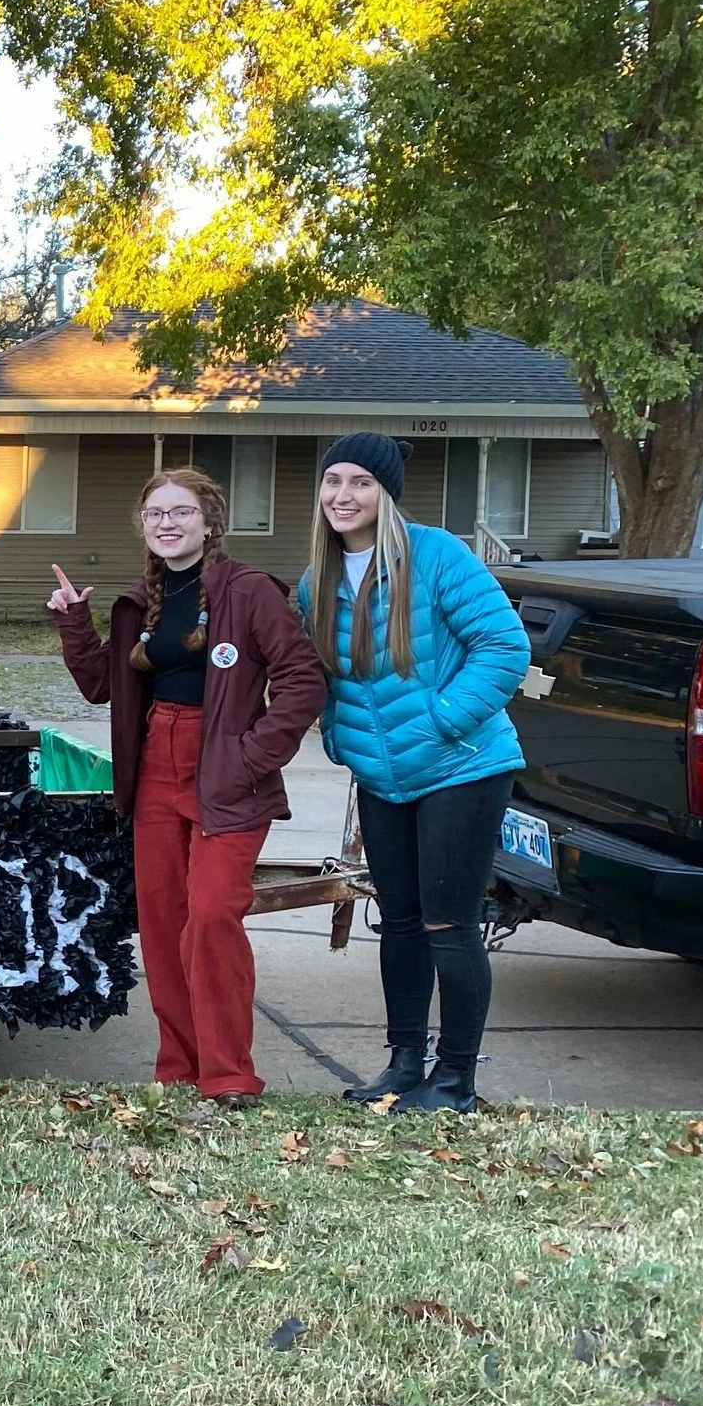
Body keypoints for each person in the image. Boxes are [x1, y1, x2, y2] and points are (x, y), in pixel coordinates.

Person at [49, 469, 326, 1107]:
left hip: (226, 770)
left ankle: (230, 1074)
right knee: (164, 923)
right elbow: (102, 686)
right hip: (155, 764)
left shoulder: (249, 592)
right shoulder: (138, 600)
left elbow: (301, 680)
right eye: (155, 514)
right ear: (144, 525)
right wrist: (73, 622)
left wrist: (252, 755)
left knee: (210, 916)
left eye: (181, 512)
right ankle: (179, 1066)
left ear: (209, 522)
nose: (168, 523)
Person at [297, 432, 529, 1115]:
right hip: (383, 778)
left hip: (462, 768)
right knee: (397, 922)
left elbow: (505, 645)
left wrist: (444, 718)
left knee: (447, 924)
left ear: (386, 492)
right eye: (333, 480)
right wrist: (341, 739)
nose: (344, 495)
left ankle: (454, 1079)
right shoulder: (319, 577)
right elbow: (326, 680)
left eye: (360, 482)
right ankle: (404, 1064)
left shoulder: (436, 556)